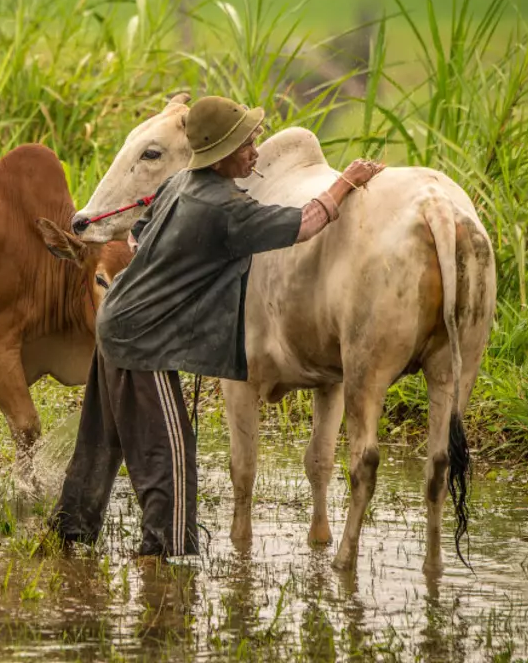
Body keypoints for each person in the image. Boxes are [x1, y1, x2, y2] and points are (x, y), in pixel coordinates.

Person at [47, 95, 385, 558]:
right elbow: (306, 223)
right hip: (142, 342)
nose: (255, 149)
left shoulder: (181, 184)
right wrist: (346, 182)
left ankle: (69, 536)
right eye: (246, 143)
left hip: (117, 323)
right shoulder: (227, 210)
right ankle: (166, 561)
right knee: (172, 455)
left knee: (100, 444)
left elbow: (137, 234)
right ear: (222, 154)